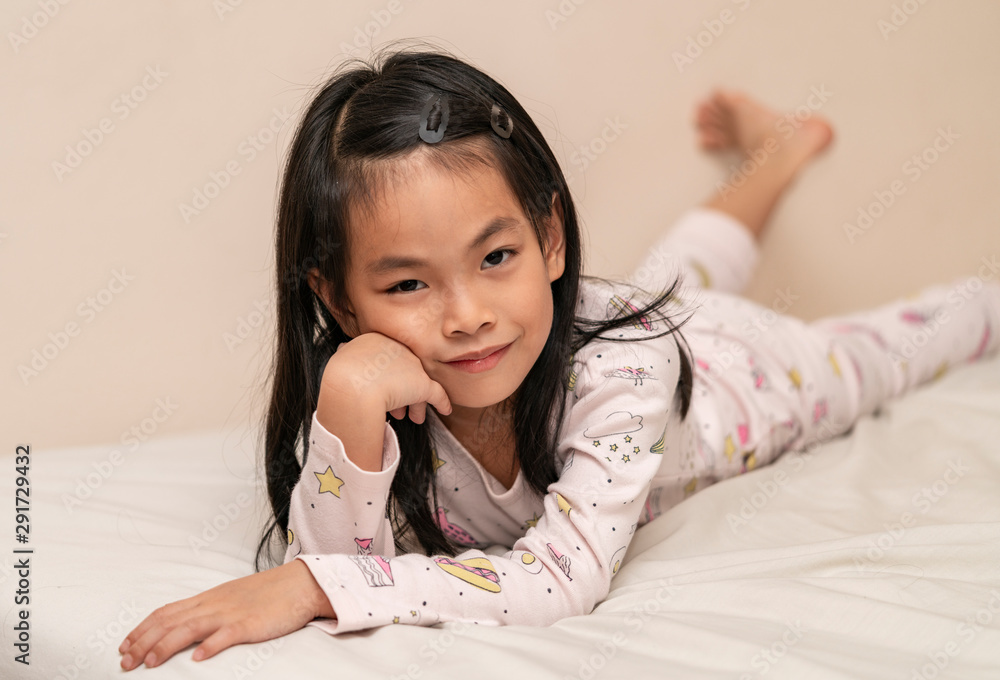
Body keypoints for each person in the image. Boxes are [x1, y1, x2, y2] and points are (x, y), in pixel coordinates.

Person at [118, 48, 1000, 670]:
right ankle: (779, 151)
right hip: (593, 320)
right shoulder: (385, 374)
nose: (465, 317)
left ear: (548, 236)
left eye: (493, 256)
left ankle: (872, 218)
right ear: (340, 299)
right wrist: (347, 411)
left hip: (735, 374)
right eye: (408, 286)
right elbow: (345, 549)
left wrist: (314, 589)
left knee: (887, 346)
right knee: (673, 276)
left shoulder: (629, 365)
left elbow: (560, 576)